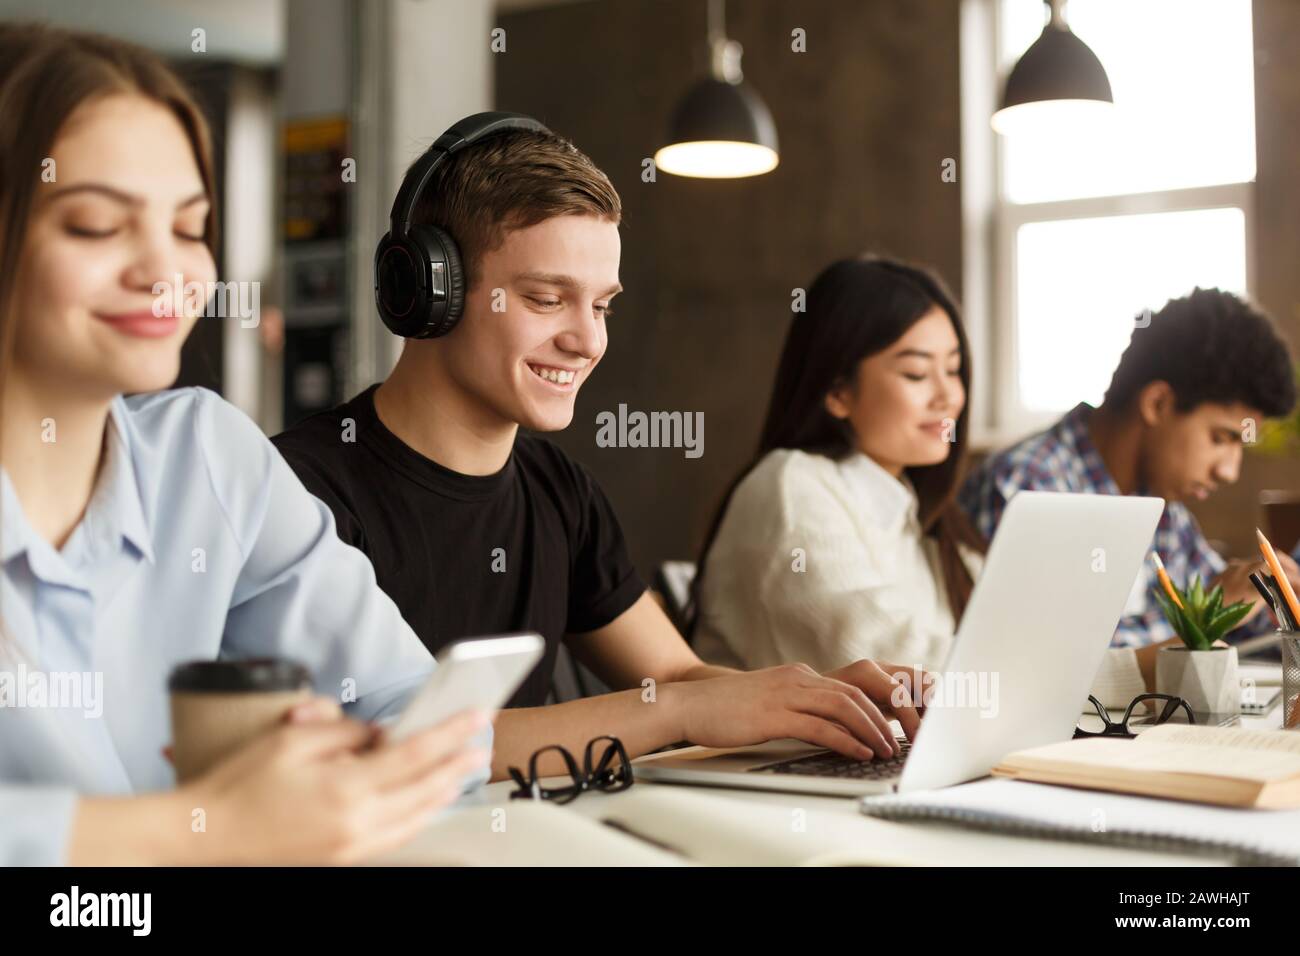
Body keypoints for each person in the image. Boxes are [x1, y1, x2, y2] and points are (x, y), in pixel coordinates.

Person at [273, 120, 927, 779]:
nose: (587, 341)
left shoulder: (560, 492)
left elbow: (674, 673)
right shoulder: (298, 493)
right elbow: (395, 744)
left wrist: (818, 699)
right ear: (427, 292)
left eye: (602, 307)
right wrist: (675, 710)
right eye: (546, 299)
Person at [0, 23, 486, 866]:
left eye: (190, 228)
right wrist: (211, 826)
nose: (166, 271)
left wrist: (336, 770)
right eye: (95, 225)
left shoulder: (206, 455)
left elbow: (421, 710)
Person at [960, 288, 1300, 690]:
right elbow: (1047, 674)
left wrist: (1274, 603)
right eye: (1221, 438)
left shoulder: (1164, 509)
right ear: (1157, 403)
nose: (1229, 471)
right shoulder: (1026, 489)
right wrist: (1208, 618)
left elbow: (1245, 623)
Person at [689, 256, 986, 673]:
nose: (948, 396)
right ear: (837, 391)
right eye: (917, 374)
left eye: (953, 370)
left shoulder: (925, 517)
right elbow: (889, 665)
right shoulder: (791, 487)